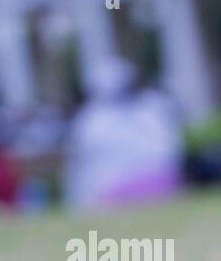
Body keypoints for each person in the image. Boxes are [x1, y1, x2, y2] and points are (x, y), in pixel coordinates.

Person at [65, 57, 184, 210]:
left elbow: (80, 165)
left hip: (115, 189)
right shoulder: (155, 106)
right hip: (164, 184)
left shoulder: (91, 119)